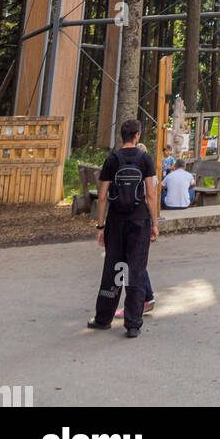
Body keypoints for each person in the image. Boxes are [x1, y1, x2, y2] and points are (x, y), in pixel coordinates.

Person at [89, 118, 158, 338]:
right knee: (136, 269)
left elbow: (102, 197)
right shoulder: (145, 159)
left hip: (116, 222)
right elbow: (151, 193)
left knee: (114, 269)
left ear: (122, 136)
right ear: (137, 135)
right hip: (139, 222)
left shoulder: (112, 159)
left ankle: (103, 319)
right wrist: (155, 223)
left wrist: (101, 226)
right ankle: (133, 324)